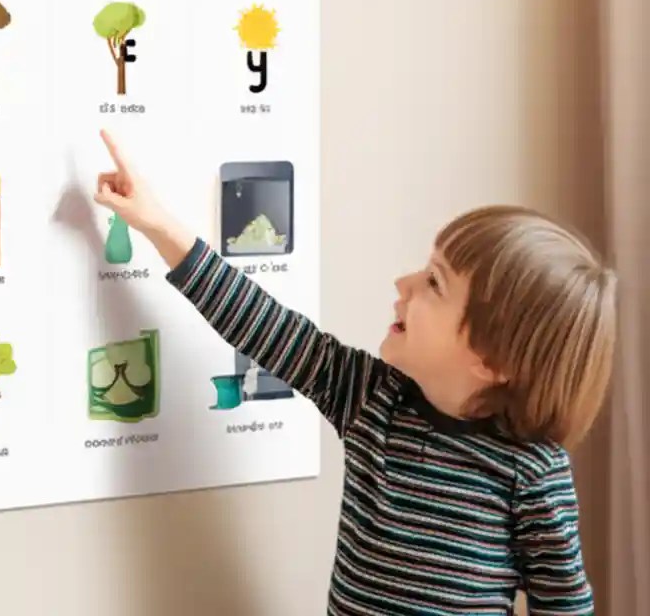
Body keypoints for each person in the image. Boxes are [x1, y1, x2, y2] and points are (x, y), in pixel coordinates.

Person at [92, 129, 615, 615]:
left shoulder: (532, 473)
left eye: (435, 283)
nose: (403, 282)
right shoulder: (372, 400)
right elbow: (261, 322)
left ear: (492, 359)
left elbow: (563, 606)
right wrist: (158, 224)